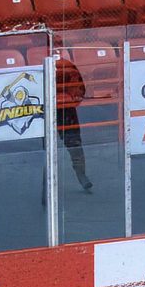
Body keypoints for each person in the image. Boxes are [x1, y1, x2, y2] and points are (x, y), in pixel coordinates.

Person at [55, 53, 94, 193]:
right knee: (43, 149)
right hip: (41, 109)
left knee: (74, 143)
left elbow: (78, 88)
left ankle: (81, 174)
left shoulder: (66, 64)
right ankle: (44, 186)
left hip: (65, 108)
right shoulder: (35, 65)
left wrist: (69, 98)